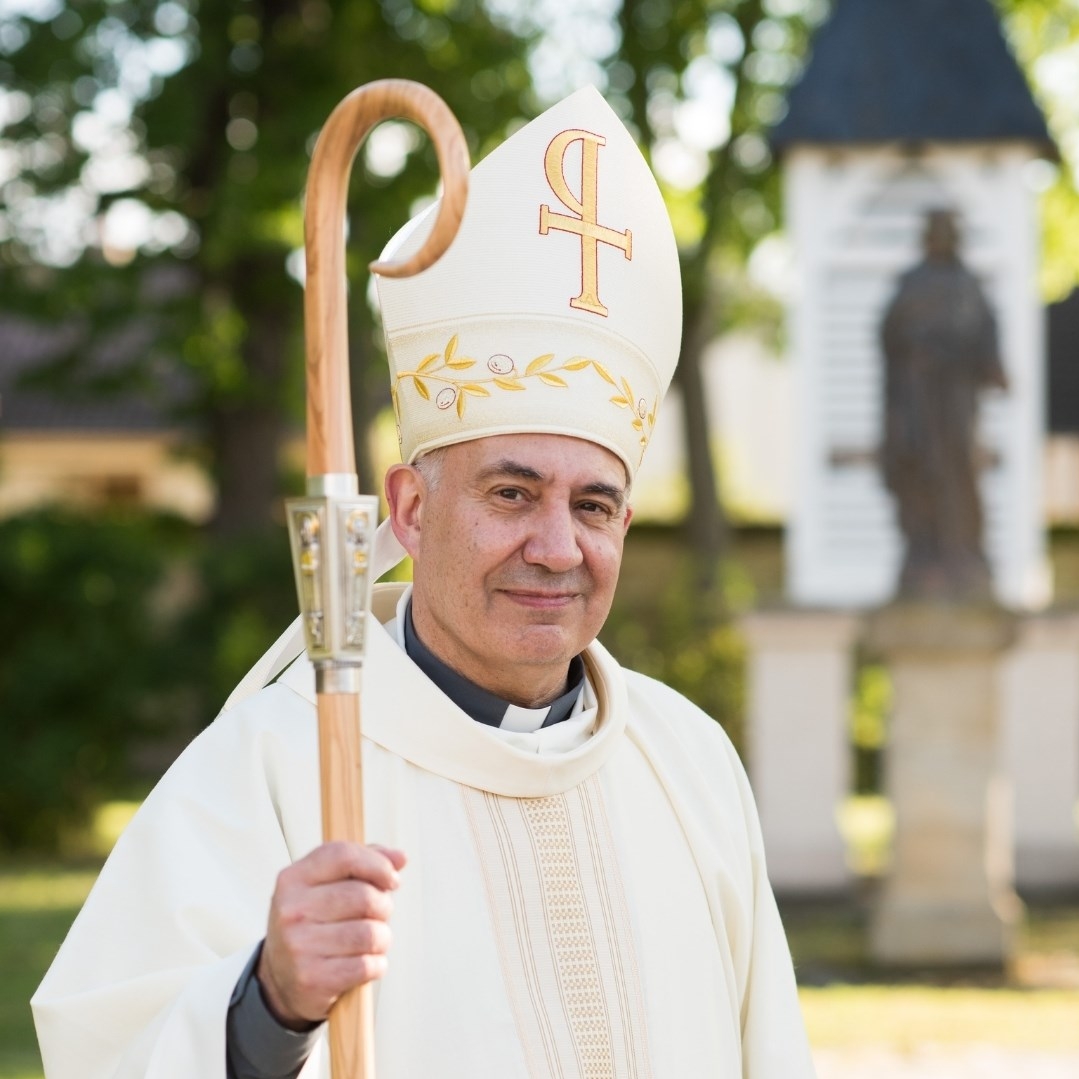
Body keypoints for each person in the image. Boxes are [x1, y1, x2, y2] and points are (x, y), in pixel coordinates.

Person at [33, 86, 817, 1079]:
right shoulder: (280, 765)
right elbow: (112, 1048)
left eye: (593, 505)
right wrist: (268, 1003)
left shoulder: (689, 763)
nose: (556, 545)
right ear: (406, 509)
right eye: (511, 490)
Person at [880, 208, 1008, 601]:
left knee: (959, 475)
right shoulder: (911, 285)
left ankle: (962, 554)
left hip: (956, 402)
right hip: (918, 399)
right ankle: (924, 554)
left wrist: (991, 365)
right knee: (921, 472)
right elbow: (890, 336)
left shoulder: (967, 286)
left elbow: (987, 333)